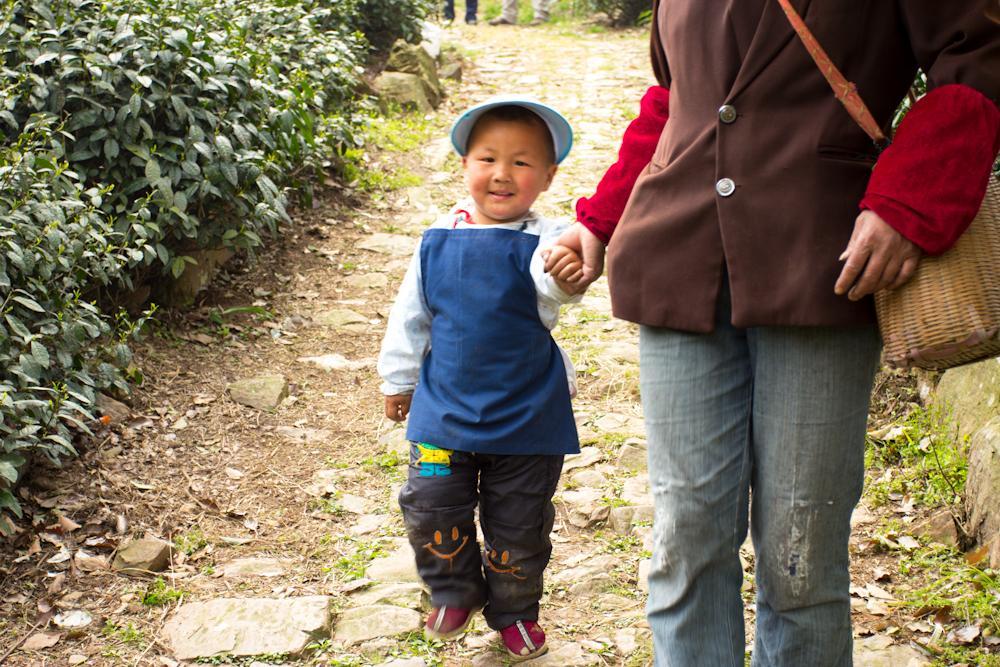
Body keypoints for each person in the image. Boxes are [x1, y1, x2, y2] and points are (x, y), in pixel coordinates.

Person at [551, 1, 999, 665]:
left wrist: (910, 202)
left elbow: (976, 66)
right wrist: (600, 217)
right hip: (679, 258)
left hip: (822, 265)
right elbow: (673, 99)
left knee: (802, 552)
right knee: (686, 537)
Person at [378, 96, 584, 662]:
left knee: (519, 525)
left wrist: (571, 272)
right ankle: (452, 589)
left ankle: (516, 612)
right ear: (464, 164)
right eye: (487, 158)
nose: (501, 173)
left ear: (547, 176)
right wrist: (397, 379)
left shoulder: (547, 240)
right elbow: (411, 317)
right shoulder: (435, 239)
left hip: (527, 417)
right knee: (430, 503)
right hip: (442, 412)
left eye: (521, 162)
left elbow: (558, 288)